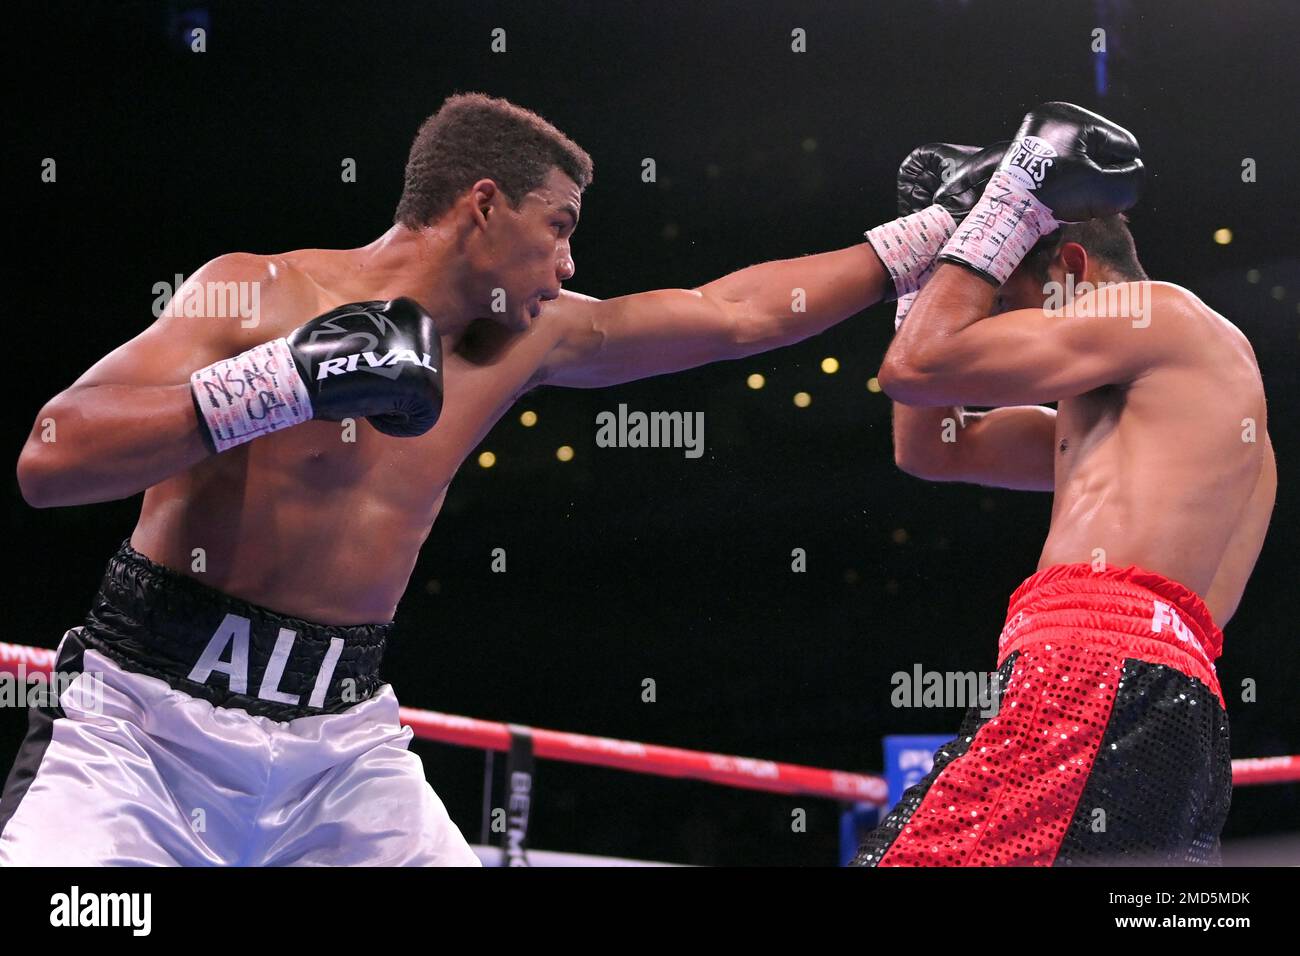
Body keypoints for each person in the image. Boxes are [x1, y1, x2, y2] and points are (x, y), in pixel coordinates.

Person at [4, 92, 951, 865]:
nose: (570, 263)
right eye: (559, 227)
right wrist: (279, 382)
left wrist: (945, 230)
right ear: (484, 204)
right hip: (143, 731)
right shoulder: (263, 292)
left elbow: (738, 313)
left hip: (340, 750)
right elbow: (50, 456)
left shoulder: (528, 339)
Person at [855, 103, 1276, 866]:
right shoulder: (1159, 418)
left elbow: (916, 366)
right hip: (1174, 703)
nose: (992, 339)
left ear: (1071, 270)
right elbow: (934, 445)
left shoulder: (1164, 315)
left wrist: (1001, 213)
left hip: (1090, 672)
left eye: (1005, 309)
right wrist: (928, 272)